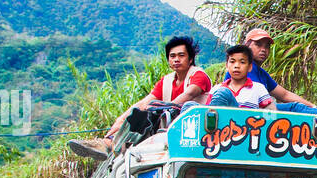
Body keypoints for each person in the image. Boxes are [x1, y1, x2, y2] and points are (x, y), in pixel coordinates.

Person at [69, 36, 211, 159]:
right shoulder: (166, 81)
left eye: (181, 55)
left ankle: (110, 144)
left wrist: (163, 108)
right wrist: (120, 120)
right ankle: (108, 142)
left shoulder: (198, 75)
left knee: (150, 111)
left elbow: (189, 94)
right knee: (142, 111)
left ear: (190, 59)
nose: (176, 59)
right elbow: (144, 101)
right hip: (167, 124)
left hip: (192, 126)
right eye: (172, 56)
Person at [225, 27, 317, 117]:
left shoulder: (261, 73)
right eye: (258, 45)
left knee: (296, 108)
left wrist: (312, 106)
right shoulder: (241, 69)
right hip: (244, 114)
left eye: (267, 46)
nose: (263, 49)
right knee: (294, 108)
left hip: (260, 113)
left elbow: (284, 94)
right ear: (247, 46)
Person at [206, 44, 276, 109]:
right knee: (222, 93)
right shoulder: (216, 89)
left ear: (250, 67)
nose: (236, 66)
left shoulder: (258, 89)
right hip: (223, 118)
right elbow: (207, 113)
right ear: (227, 66)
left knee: (223, 93)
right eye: (232, 62)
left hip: (248, 118)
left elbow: (271, 113)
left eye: (242, 62)